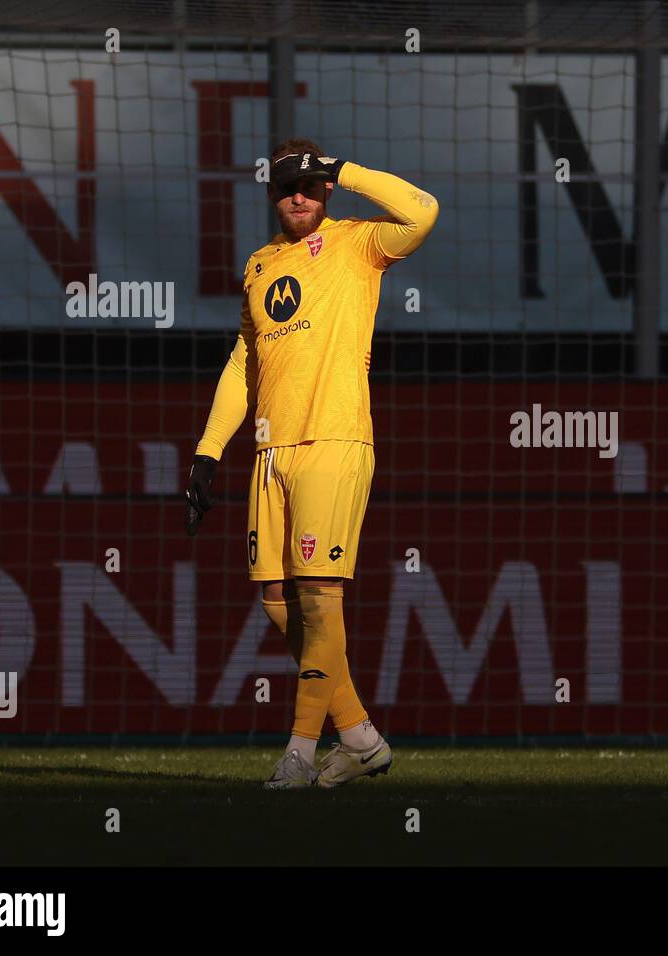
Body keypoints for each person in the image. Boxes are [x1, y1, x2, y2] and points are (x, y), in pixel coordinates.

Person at [185, 140, 439, 788]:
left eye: (308, 184)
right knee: (275, 596)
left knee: (321, 602)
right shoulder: (260, 263)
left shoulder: (359, 245)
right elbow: (245, 361)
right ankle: (359, 737)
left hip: (334, 443)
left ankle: (298, 752)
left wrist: (347, 170)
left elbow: (424, 211)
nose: (296, 196)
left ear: (325, 190)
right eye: (284, 186)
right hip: (270, 452)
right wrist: (209, 451)